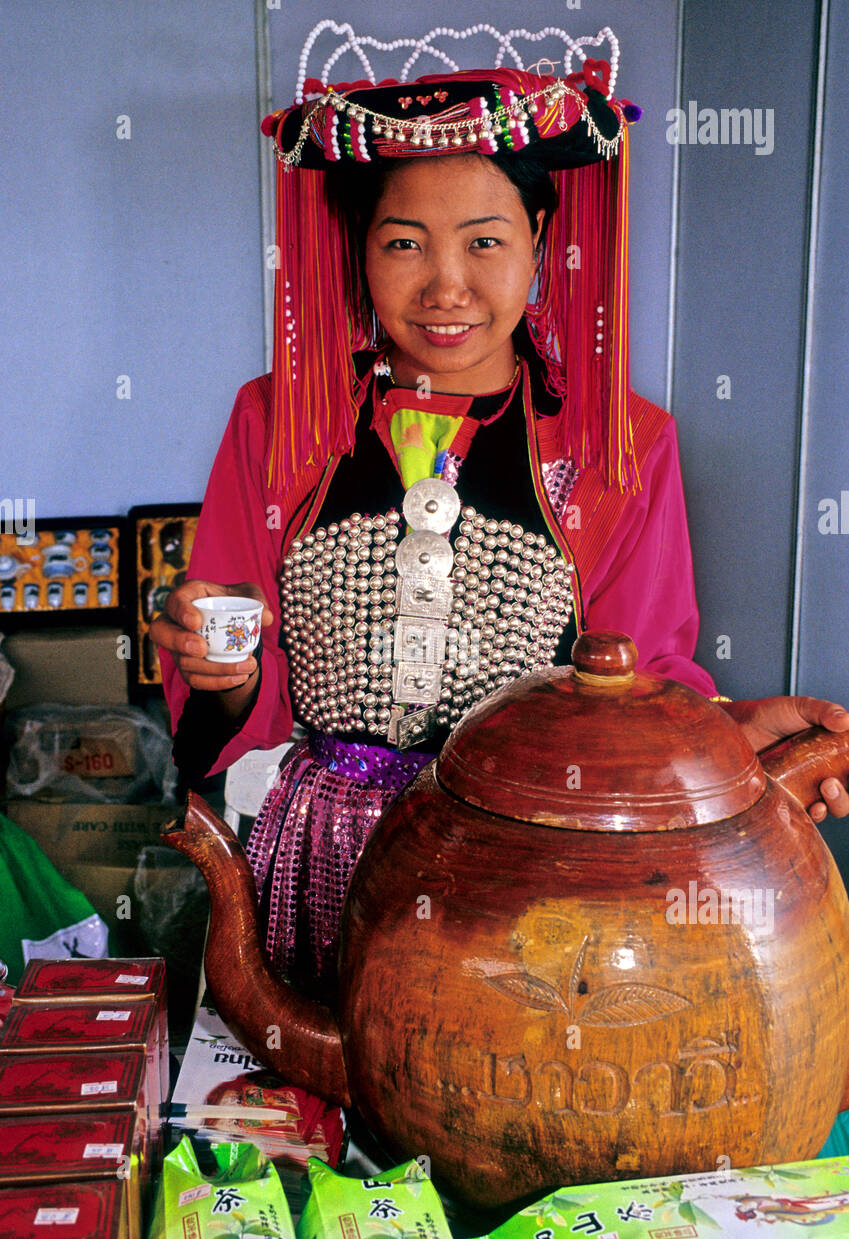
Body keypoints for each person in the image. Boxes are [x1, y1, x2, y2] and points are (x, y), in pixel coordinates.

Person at [153, 47, 849, 1010]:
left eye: (484, 243)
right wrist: (218, 671)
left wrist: (734, 738)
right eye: (403, 243)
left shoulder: (620, 446)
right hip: (312, 872)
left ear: (539, 239)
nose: (445, 286)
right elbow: (229, 673)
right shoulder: (280, 422)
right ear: (358, 247)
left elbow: (640, 682)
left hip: (522, 871)